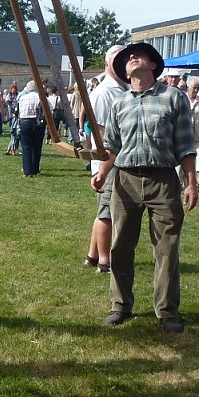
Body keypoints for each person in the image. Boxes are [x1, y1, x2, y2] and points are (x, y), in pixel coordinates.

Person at [91, 43, 199, 333]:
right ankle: (120, 305)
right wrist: (102, 173)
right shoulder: (119, 103)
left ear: (153, 65)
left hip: (163, 181)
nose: (131, 59)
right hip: (124, 180)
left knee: (166, 248)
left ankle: (166, 311)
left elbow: (186, 145)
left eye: (138, 55)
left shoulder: (173, 98)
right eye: (127, 58)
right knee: (120, 246)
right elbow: (112, 146)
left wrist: (190, 183)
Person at [83, 45, 127, 272]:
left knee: (105, 209)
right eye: (118, 60)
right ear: (108, 64)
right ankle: (104, 261)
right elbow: (101, 135)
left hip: (118, 160)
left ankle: (92, 256)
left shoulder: (124, 88)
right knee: (107, 213)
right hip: (109, 162)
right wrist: (105, 168)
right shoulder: (103, 93)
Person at [15, 81, 45, 176]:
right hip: (37, 123)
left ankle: (28, 171)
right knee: (37, 147)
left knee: (26, 147)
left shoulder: (22, 98)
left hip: (25, 122)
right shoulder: (41, 98)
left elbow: (17, 112)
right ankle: (35, 168)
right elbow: (50, 109)